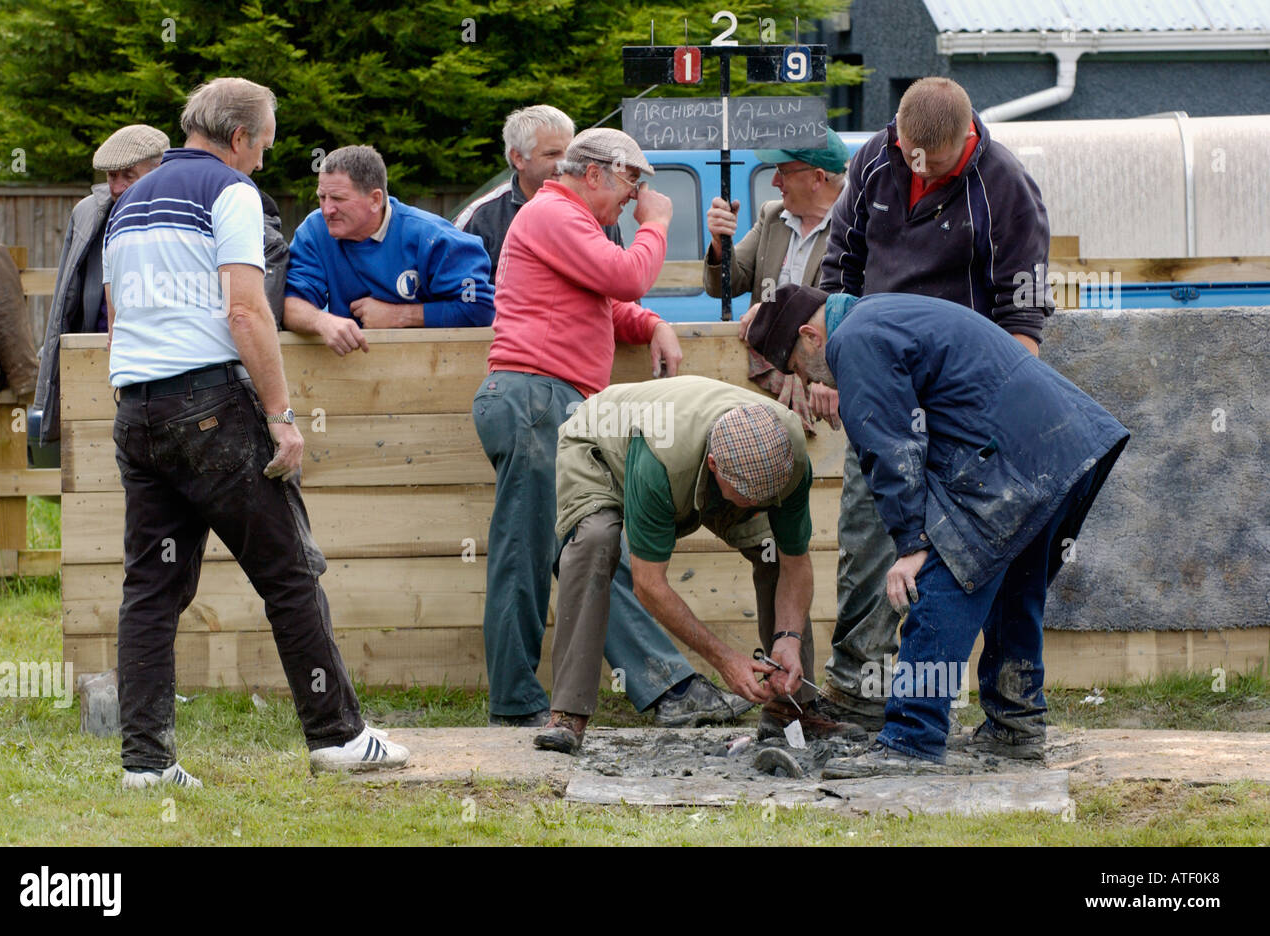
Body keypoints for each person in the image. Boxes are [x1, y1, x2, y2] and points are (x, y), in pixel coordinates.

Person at [104, 77, 409, 789]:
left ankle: (146, 766)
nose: (265, 162)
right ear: (239, 138)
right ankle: (337, 737)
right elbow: (246, 313)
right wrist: (280, 416)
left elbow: (120, 321)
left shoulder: (128, 204)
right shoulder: (230, 194)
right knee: (290, 573)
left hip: (136, 410)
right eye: (264, 146)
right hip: (208, 406)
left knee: (149, 591)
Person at [747, 285, 1127, 773]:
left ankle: (912, 737)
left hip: (1014, 455)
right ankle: (1016, 726)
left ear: (810, 335)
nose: (803, 376)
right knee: (1015, 590)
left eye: (796, 365)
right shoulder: (880, 315)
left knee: (943, 579)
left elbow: (891, 447)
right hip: (1065, 445)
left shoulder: (854, 340)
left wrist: (913, 543)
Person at [796, 77, 1056, 733]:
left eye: (932, 161)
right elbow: (840, 269)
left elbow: (1021, 312)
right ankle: (857, 695)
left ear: (964, 140)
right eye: (910, 153)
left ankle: (1009, 714)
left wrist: (1006, 414)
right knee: (867, 536)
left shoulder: (1006, 185)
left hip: (962, 398)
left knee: (984, 555)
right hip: (880, 383)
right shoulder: (873, 162)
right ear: (898, 137)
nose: (918, 167)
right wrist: (835, 362)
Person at [475, 128, 750, 729]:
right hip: (536, 400)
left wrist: (652, 324)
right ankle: (533, 704)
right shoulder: (556, 212)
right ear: (595, 172)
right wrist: (660, 221)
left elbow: (610, 300)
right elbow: (626, 276)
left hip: (543, 403)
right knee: (543, 553)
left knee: (584, 549)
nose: (636, 196)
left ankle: (655, 688)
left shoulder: (565, 219)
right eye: (632, 181)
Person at [535, 375, 868, 753]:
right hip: (602, 441)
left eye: (766, 498)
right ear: (714, 467)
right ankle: (567, 715)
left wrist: (787, 638)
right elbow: (648, 584)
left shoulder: (787, 457)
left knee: (772, 548)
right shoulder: (659, 465)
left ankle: (791, 710)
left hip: (704, 451)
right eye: (748, 498)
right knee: (595, 542)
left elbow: (796, 563)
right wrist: (724, 660)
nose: (760, 507)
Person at [283, 145, 494, 355]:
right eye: (322, 197)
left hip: (428, 369)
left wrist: (401, 316)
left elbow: (481, 307)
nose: (327, 209)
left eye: (338, 199)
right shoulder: (314, 231)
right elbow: (290, 305)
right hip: (344, 373)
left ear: (375, 200)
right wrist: (322, 321)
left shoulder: (433, 239)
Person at [705, 129, 848, 433]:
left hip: (827, 385)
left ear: (817, 177)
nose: (774, 182)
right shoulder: (772, 215)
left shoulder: (857, 226)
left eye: (783, 172)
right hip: (765, 391)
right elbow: (725, 285)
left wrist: (770, 309)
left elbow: (850, 305)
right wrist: (720, 243)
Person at [36, 124, 169, 446]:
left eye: (129, 175)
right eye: (111, 176)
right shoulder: (87, 213)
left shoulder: (177, 214)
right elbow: (64, 301)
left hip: (161, 363)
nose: (118, 187)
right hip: (94, 355)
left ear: (159, 170)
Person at [454, 105, 625, 280]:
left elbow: (623, 289)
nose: (565, 163)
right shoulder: (480, 220)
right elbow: (461, 297)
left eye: (571, 153)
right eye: (552, 154)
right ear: (518, 157)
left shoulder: (599, 210)